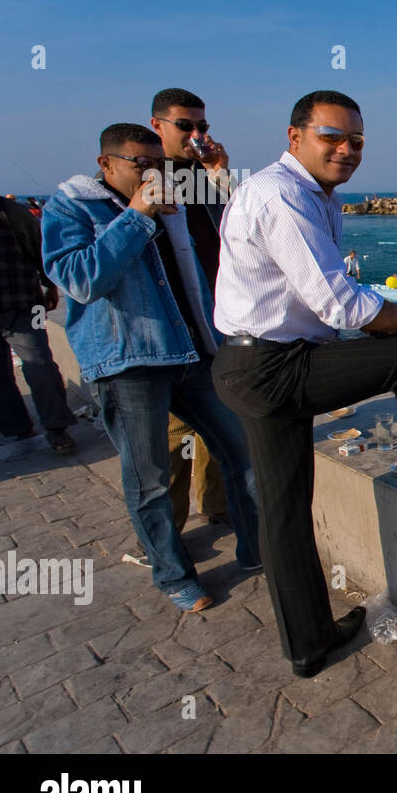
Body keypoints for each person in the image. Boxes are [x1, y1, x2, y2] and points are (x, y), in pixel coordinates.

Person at [211, 90, 397, 678]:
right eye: (332, 136)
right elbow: (339, 304)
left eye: (356, 140)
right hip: (273, 368)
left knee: (283, 511)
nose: (347, 149)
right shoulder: (282, 197)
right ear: (294, 136)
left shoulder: (310, 195)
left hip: (246, 364)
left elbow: (326, 300)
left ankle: (308, 645)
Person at [41, 123, 262, 613]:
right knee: (150, 477)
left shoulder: (176, 199)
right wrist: (138, 215)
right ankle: (173, 575)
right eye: (140, 163)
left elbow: (236, 236)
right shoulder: (71, 207)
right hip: (130, 362)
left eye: (157, 163)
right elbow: (80, 280)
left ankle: (256, 549)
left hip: (195, 350)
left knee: (242, 450)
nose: (152, 172)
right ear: (107, 164)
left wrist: (219, 177)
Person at [150, 88, 231, 541]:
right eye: (187, 126)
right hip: (173, 323)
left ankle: (218, 508)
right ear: (157, 125)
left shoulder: (203, 176)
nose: (198, 134)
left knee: (218, 425)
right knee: (174, 437)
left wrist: (220, 173)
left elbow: (246, 221)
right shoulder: (144, 176)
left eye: (203, 126)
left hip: (216, 317)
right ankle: (170, 534)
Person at [0, 186, 77, 458]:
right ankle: (19, 428)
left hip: (23, 305)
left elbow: (40, 249)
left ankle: (56, 426)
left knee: (40, 364)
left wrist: (50, 286)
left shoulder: (9, 212)